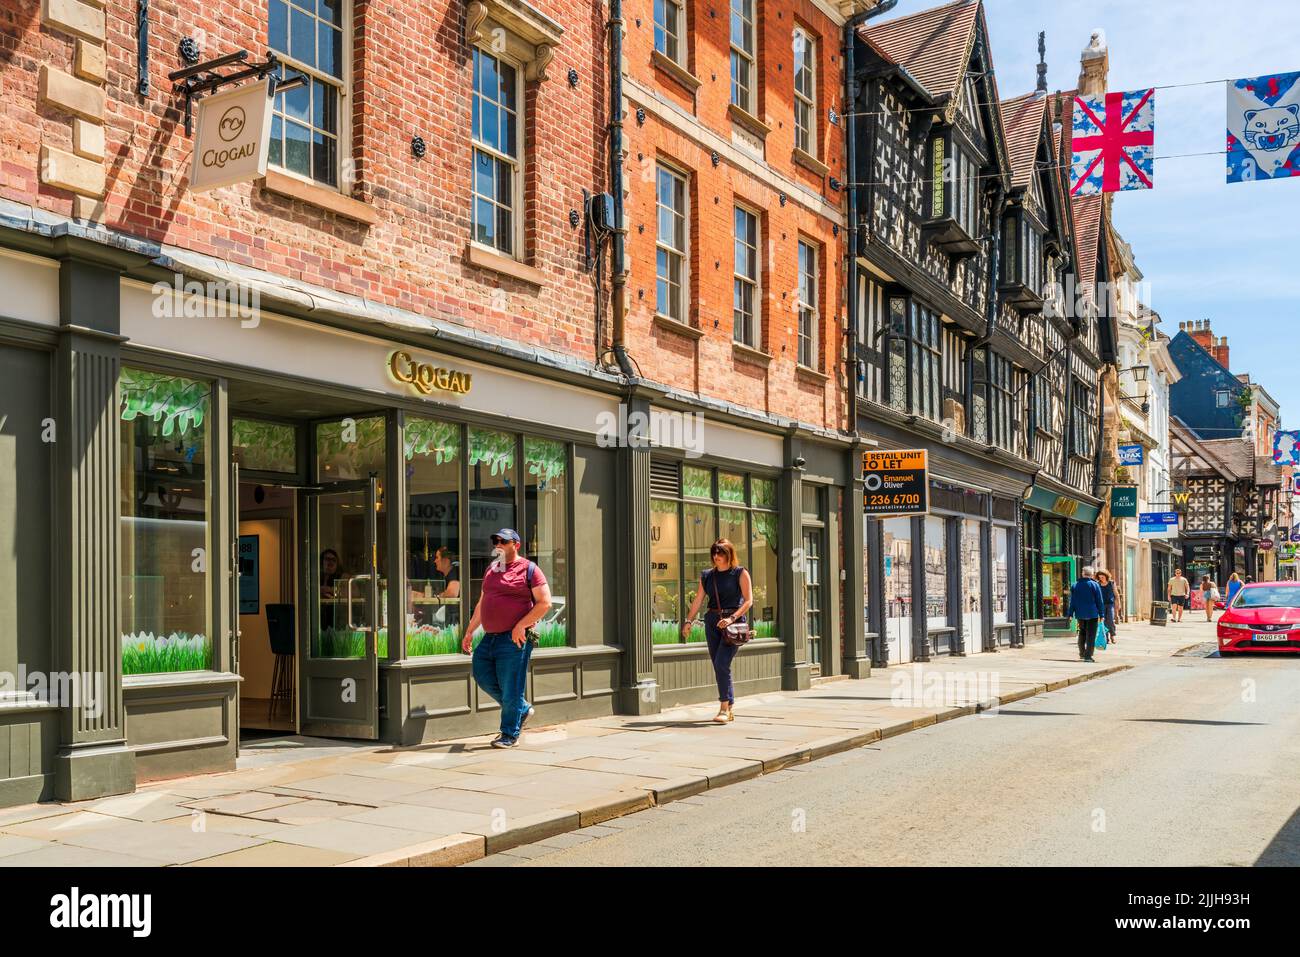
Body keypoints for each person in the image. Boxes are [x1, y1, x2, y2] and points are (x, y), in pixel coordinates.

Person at [461, 528, 551, 749]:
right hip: (489, 638)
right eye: (495, 540)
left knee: (512, 687)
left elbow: (544, 603)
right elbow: (483, 604)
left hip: (514, 640)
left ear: (516, 545)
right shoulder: (492, 569)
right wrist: (470, 630)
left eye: (504, 541)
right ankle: (521, 710)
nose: (498, 544)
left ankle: (509, 735)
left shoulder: (530, 569)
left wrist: (521, 625)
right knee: (481, 674)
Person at [681, 539, 754, 723]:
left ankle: (724, 707)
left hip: (733, 623)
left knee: (722, 663)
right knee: (718, 665)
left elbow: (748, 601)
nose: (716, 557)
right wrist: (688, 620)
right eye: (714, 553)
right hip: (712, 621)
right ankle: (728, 707)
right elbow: (698, 600)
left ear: (729, 554)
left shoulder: (740, 572)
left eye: (720, 553)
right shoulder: (707, 576)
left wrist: (731, 618)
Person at [1070, 565, 1105, 662]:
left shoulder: (1075, 585)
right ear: (1092, 575)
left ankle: (1082, 653)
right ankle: (1088, 656)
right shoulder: (1095, 585)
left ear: (1083, 574)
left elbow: (1072, 601)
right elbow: (1099, 601)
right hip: (1092, 614)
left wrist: (1070, 614)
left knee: (1082, 633)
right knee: (1091, 635)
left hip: (1080, 614)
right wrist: (1102, 614)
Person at [1096, 570, 1118, 645]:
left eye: (1102, 577)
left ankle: (1112, 635)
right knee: (1103, 621)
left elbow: (1116, 594)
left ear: (1106, 576)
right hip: (1101, 605)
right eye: (1100, 577)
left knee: (1111, 620)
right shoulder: (1098, 584)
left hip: (1110, 604)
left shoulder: (1111, 583)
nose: (1101, 578)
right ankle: (1106, 637)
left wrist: (1119, 604)